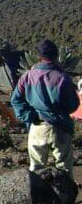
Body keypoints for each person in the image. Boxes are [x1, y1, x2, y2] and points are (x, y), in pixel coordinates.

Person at [12, 39, 80, 175]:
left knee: (36, 168)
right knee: (64, 168)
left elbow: (16, 100)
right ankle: (64, 195)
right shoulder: (63, 78)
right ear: (56, 56)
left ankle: (36, 195)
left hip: (37, 127)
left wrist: (29, 116)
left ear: (38, 56)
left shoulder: (27, 77)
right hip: (60, 127)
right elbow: (73, 105)